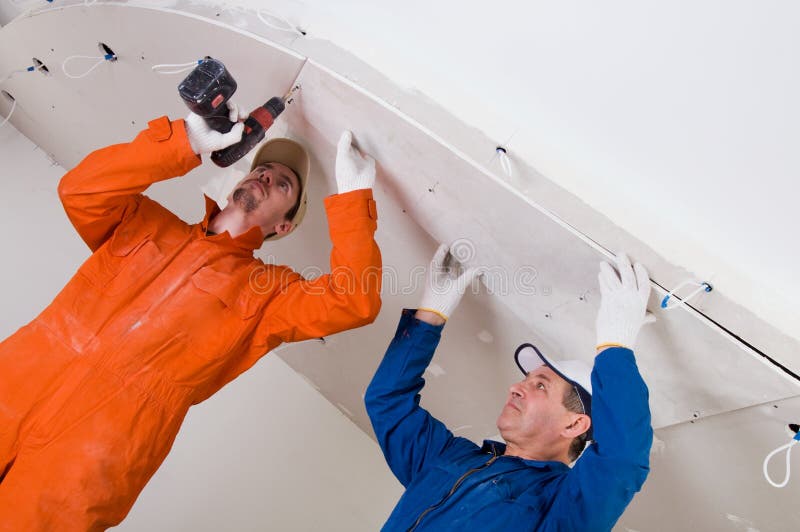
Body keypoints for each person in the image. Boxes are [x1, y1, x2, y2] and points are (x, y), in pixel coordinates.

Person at [0, 102, 382, 531]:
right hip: (14, 385)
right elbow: (80, 189)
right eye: (264, 169)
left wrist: (353, 201)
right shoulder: (144, 222)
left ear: (284, 228)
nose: (268, 176)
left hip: (90, 455)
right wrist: (185, 140)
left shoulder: (268, 294)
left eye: (285, 186)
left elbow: (353, 301)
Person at [366, 244, 653, 531]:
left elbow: (621, 460)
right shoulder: (448, 457)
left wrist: (616, 347)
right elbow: (387, 401)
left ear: (575, 423)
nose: (515, 387)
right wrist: (429, 317)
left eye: (540, 386)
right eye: (526, 380)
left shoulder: (563, 504)